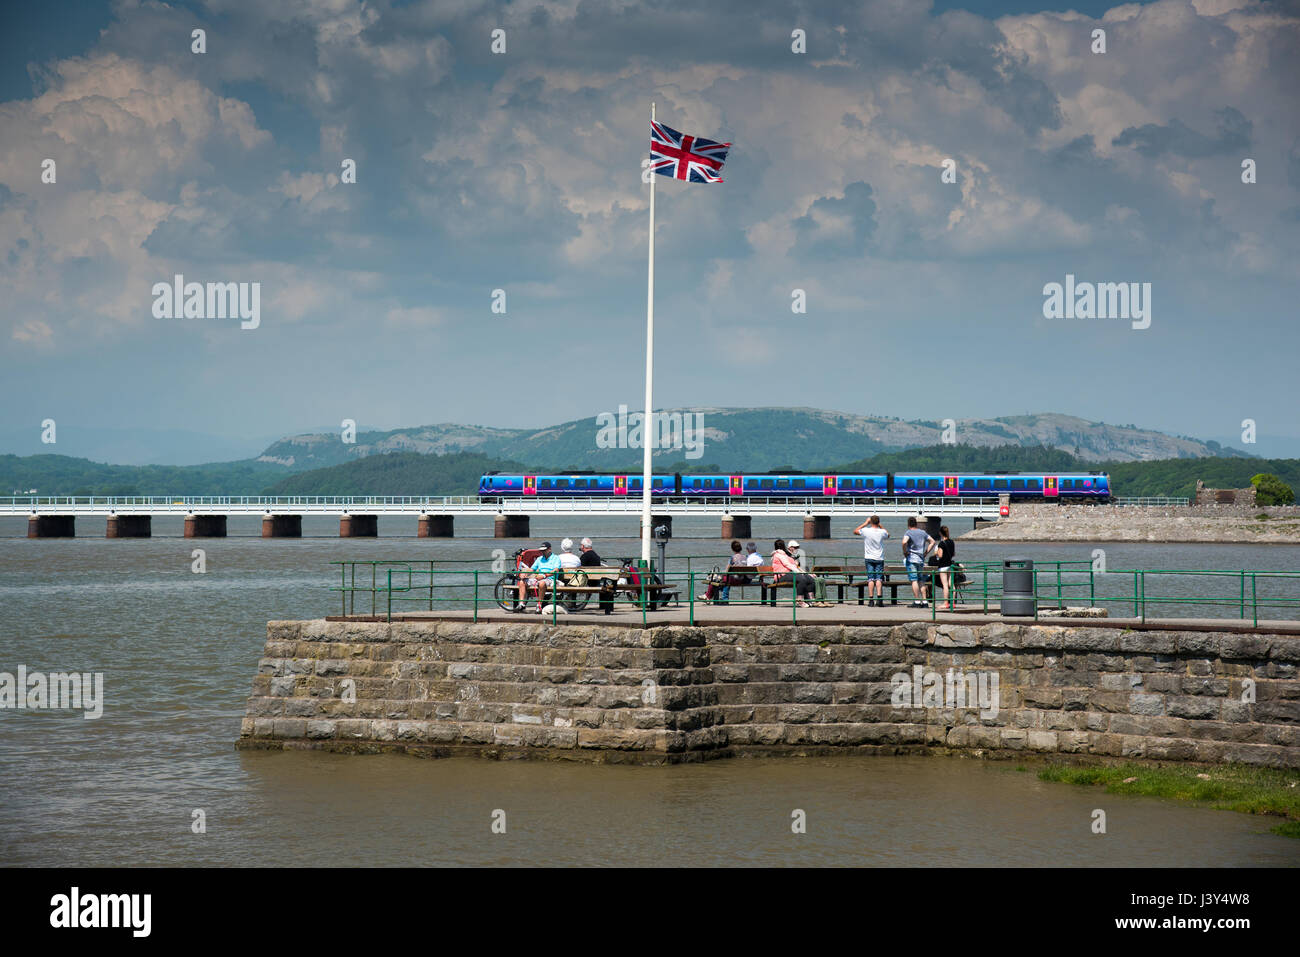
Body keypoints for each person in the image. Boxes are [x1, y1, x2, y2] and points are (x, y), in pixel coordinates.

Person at [515, 541, 563, 613]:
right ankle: (521, 604)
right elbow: (532, 569)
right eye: (541, 550)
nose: (542, 552)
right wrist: (525, 573)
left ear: (549, 549)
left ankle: (539, 605)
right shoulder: (539, 559)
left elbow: (556, 570)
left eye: (544, 550)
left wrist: (544, 575)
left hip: (550, 579)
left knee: (542, 583)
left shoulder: (556, 558)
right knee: (522, 581)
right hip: (538, 578)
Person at [853, 515, 890, 607]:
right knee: (879, 579)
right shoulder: (882, 532)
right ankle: (879, 598)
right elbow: (888, 535)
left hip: (869, 557)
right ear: (878, 522)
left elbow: (855, 531)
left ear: (871, 522)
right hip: (879, 558)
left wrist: (865, 523)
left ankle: (871, 600)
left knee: (870, 579)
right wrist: (880, 525)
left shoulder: (866, 531)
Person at [902, 517, 937, 608]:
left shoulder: (908, 532)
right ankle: (925, 602)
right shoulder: (922, 533)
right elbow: (932, 542)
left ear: (908, 524)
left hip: (912, 559)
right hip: (921, 559)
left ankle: (917, 601)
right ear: (916, 524)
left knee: (914, 580)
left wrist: (905, 552)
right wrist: (926, 553)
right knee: (921, 580)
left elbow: (904, 542)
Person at [771, 539, 816, 607]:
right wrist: (799, 572)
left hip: (788, 574)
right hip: (781, 576)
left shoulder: (785, 555)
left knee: (810, 579)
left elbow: (795, 566)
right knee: (802, 579)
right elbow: (787, 565)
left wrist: (807, 574)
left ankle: (810, 599)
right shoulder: (778, 555)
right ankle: (799, 600)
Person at [787, 540, 831, 606]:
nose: (797, 549)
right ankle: (817, 600)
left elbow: (799, 567)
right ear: (790, 548)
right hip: (795, 576)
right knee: (815, 580)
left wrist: (808, 573)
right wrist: (807, 574)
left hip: (800, 575)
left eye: (797, 547)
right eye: (795, 547)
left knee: (821, 579)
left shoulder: (795, 557)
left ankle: (823, 600)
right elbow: (795, 568)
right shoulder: (788, 557)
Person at [929, 525, 957, 609]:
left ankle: (945, 603)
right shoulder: (952, 542)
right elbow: (954, 554)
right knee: (951, 584)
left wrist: (936, 553)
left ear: (940, 533)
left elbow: (940, 555)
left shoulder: (941, 543)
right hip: (950, 565)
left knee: (945, 585)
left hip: (943, 566)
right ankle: (953, 602)